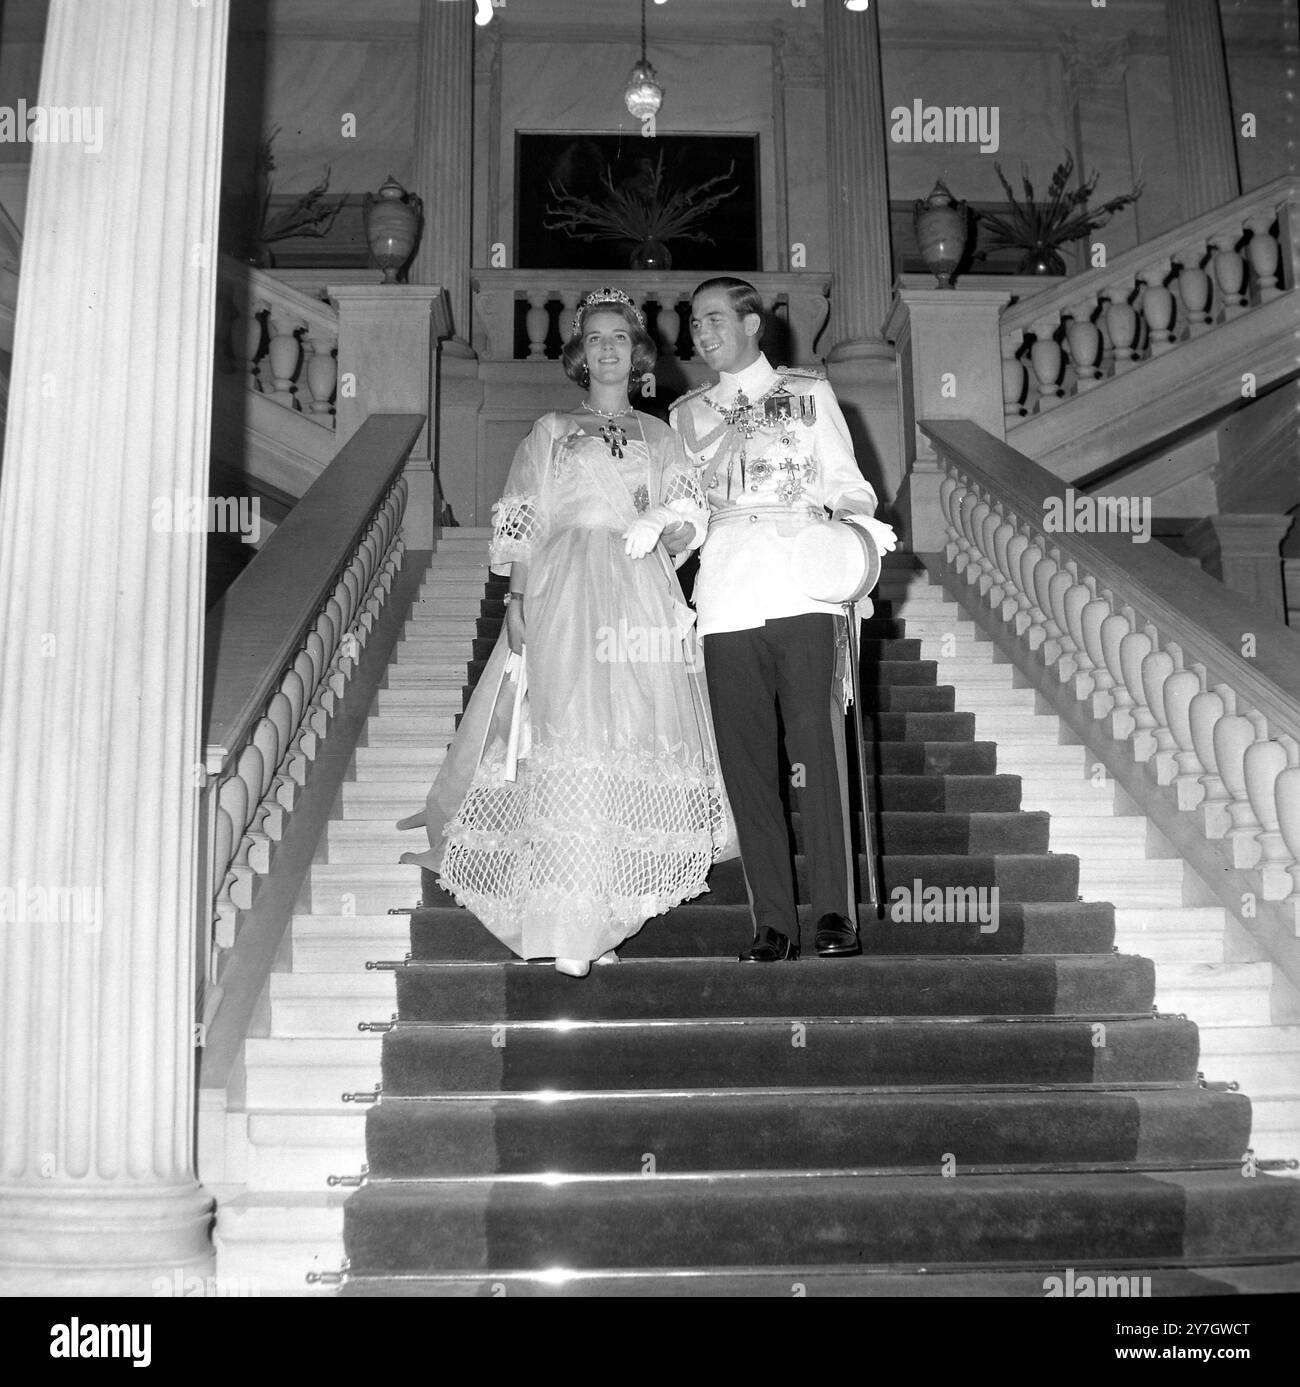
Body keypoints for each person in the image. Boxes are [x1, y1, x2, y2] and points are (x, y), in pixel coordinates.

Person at [398, 287, 732, 977]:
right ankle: (567, 921)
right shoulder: (552, 429)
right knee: (570, 730)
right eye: (597, 338)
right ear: (582, 354)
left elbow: (688, 513)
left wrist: (664, 529)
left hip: (638, 593)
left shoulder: (660, 434)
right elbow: (525, 513)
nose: (609, 348)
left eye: (621, 338)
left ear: (637, 353)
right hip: (566, 590)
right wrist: (517, 598)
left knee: (627, 738)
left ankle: (601, 914)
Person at [669, 277, 897, 962]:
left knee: (817, 753)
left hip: (803, 586)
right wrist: (671, 535)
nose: (700, 332)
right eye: (694, 321)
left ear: (751, 323)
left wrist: (858, 523)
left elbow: (846, 479)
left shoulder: (808, 392)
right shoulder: (688, 414)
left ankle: (833, 911)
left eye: (713, 319)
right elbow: (689, 507)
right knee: (746, 767)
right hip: (726, 597)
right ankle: (772, 919)